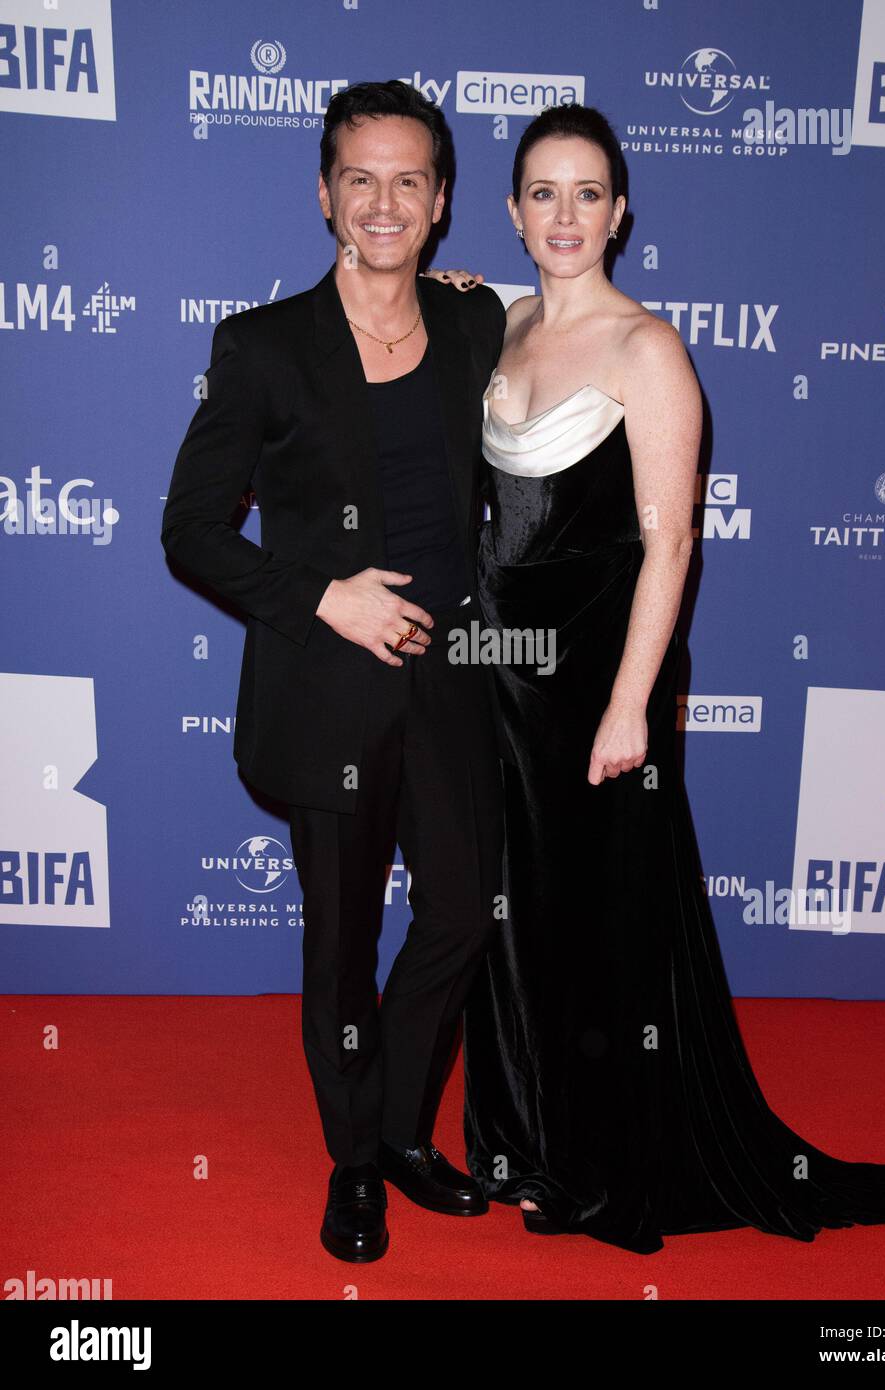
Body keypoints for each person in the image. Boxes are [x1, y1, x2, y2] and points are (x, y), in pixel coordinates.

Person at [441, 103, 885, 1255]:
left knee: (602, 928)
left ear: (621, 211)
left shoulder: (646, 349)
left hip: (593, 690)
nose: (564, 216)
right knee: (505, 920)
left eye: (587, 193)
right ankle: (518, 1143)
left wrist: (628, 708)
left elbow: (669, 544)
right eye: (542, 194)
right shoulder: (497, 326)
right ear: (511, 212)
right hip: (494, 681)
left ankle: (602, 1163)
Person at [161, 81, 507, 1263]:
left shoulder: (472, 323)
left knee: (461, 914)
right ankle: (355, 1163)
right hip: (330, 688)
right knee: (341, 940)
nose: (383, 200)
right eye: (359, 176)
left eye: (408, 178)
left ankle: (404, 1126)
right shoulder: (260, 346)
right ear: (323, 193)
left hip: (455, 677)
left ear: (442, 200)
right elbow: (191, 529)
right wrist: (321, 596)